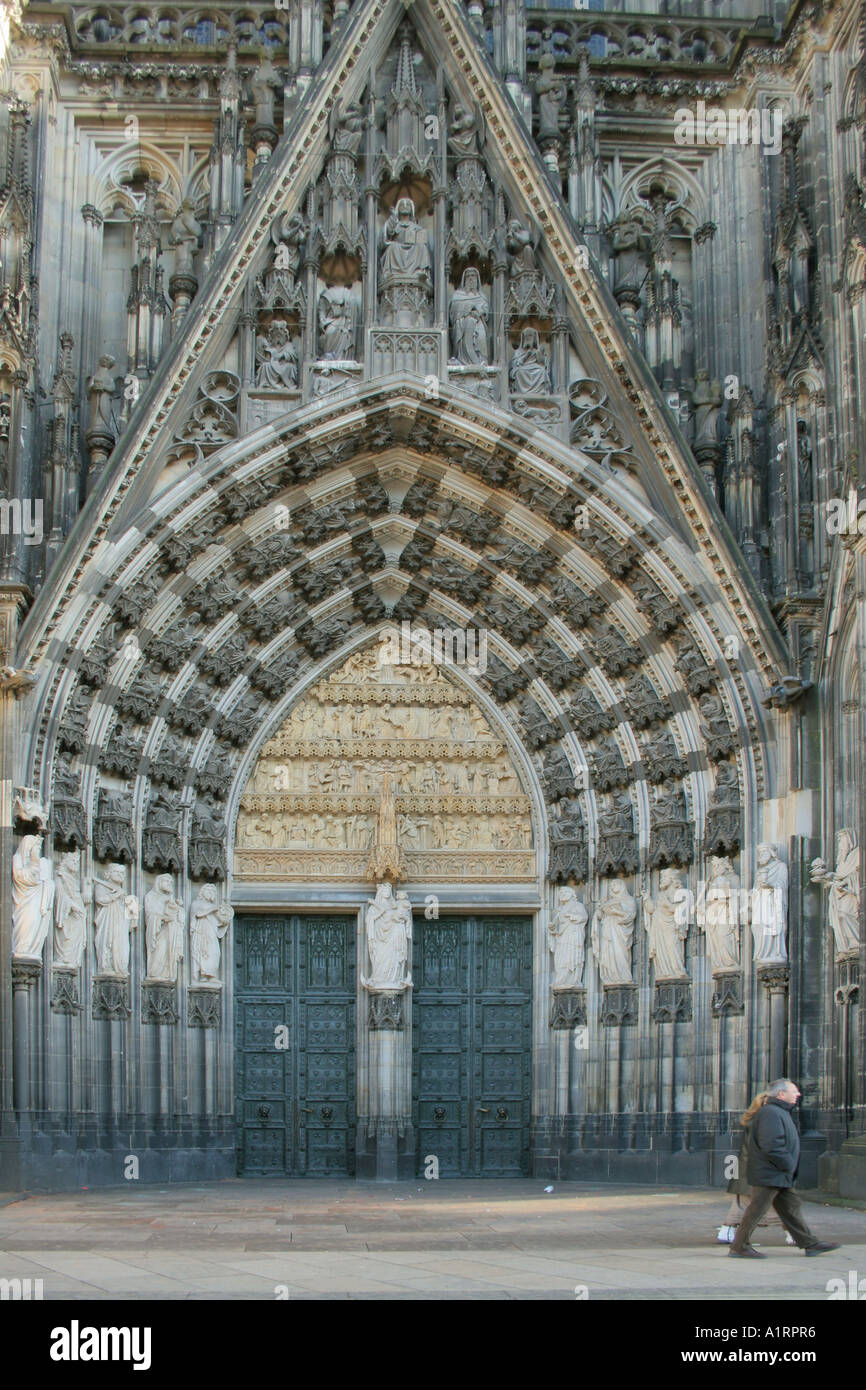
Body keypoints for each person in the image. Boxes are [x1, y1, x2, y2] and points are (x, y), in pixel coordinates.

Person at [728, 1078, 842, 1258]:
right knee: (757, 1209)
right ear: (781, 1094)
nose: (798, 1094)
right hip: (772, 1172)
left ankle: (810, 1243)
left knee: (790, 1207)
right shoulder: (771, 1113)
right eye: (794, 1091)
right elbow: (772, 1145)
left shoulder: (777, 1112)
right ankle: (739, 1246)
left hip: (778, 1173)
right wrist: (788, 1164)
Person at [718, 1092, 791, 1246]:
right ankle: (794, 1233)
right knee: (777, 1203)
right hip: (758, 1172)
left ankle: (729, 1232)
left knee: (746, 1205)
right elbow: (767, 1147)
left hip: (751, 1172)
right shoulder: (762, 1122)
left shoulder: (755, 1121)